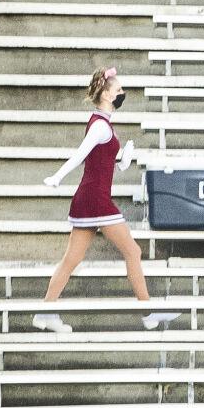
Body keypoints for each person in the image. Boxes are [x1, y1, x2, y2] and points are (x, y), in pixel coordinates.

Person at [33, 68, 178, 334]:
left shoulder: (104, 123)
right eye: (119, 89)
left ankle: (45, 311)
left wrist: (126, 157)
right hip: (96, 200)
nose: (122, 93)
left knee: (71, 259)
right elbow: (80, 155)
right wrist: (57, 176)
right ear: (108, 93)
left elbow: (113, 165)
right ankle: (147, 313)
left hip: (90, 199)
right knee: (132, 252)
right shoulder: (100, 126)